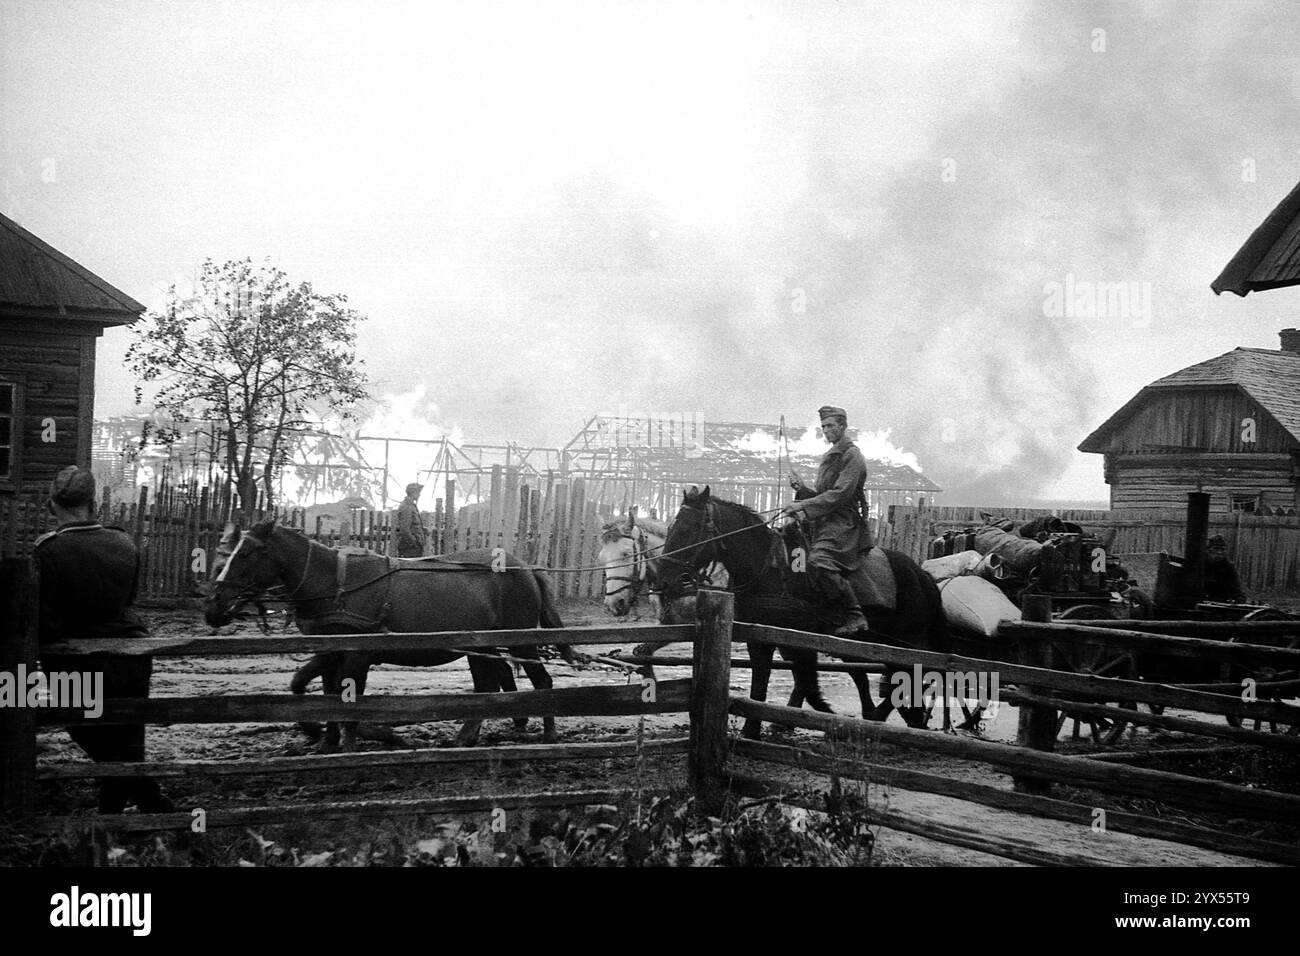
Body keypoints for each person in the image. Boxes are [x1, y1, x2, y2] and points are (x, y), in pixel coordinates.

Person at [34, 466, 172, 814]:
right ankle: (111, 816)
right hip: (133, 656)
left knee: (90, 731)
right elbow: (129, 602)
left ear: (52, 505)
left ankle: (153, 803)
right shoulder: (124, 542)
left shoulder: (48, 550)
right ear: (93, 503)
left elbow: (46, 624)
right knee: (127, 737)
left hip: (76, 661)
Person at [781, 405, 872, 637]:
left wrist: (802, 505)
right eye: (823, 426)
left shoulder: (852, 456)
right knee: (790, 546)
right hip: (824, 520)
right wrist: (803, 490)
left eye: (831, 425)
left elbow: (840, 495)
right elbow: (825, 495)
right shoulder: (831, 456)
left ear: (843, 426)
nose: (826, 430)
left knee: (819, 560)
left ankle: (855, 615)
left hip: (843, 524)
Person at [1203, 534, 1246, 603]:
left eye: (1222, 549)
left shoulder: (1228, 567)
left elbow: (1236, 588)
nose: (1219, 552)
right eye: (1216, 548)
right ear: (1208, 550)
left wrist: (1239, 598)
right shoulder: (1199, 565)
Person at [392, 481, 428, 557]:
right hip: (409, 548)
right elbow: (404, 529)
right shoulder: (407, 507)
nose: (419, 494)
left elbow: (413, 525)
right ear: (413, 493)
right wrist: (414, 542)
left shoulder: (411, 506)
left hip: (413, 547)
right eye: (418, 492)